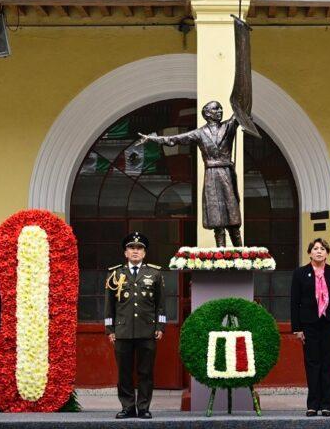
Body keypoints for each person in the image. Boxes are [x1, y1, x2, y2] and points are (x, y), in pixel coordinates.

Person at [137, 101, 244, 247]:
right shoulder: (199, 133)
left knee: (232, 216)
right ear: (207, 113)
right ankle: (222, 255)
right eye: (216, 109)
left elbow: (241, 110)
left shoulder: (228, 126)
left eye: (221, 108)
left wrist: (243, 85)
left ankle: (241, 254)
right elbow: (174, 139)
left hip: (226, 173)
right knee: (217, 218)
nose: (220, 111)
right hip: (212, 175)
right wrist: (151, 139)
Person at [104, 231, 166, 419]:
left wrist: (160, 327)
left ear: (145, 253)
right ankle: (128, 407)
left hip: (147, 330)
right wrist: (110, 329)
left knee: (145, 372)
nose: (135, 251)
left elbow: (161, 304)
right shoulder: (115, 274)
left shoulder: (154, 273)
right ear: (125, 253)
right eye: (131, 248)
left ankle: (144, 408)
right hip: (122, 331)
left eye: (139, 248)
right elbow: (109, 305)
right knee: (124, 373)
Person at [290, 238, 330, 417]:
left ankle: (326, 405)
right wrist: (297, 328)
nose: (319, 251)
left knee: (329, 364)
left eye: (322, 249)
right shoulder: (300, 273)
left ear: (327, 253)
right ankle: (312, 405)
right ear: (309, 253)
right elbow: (294, 302)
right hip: (309, 325)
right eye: (315, 249)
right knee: (312, 363)